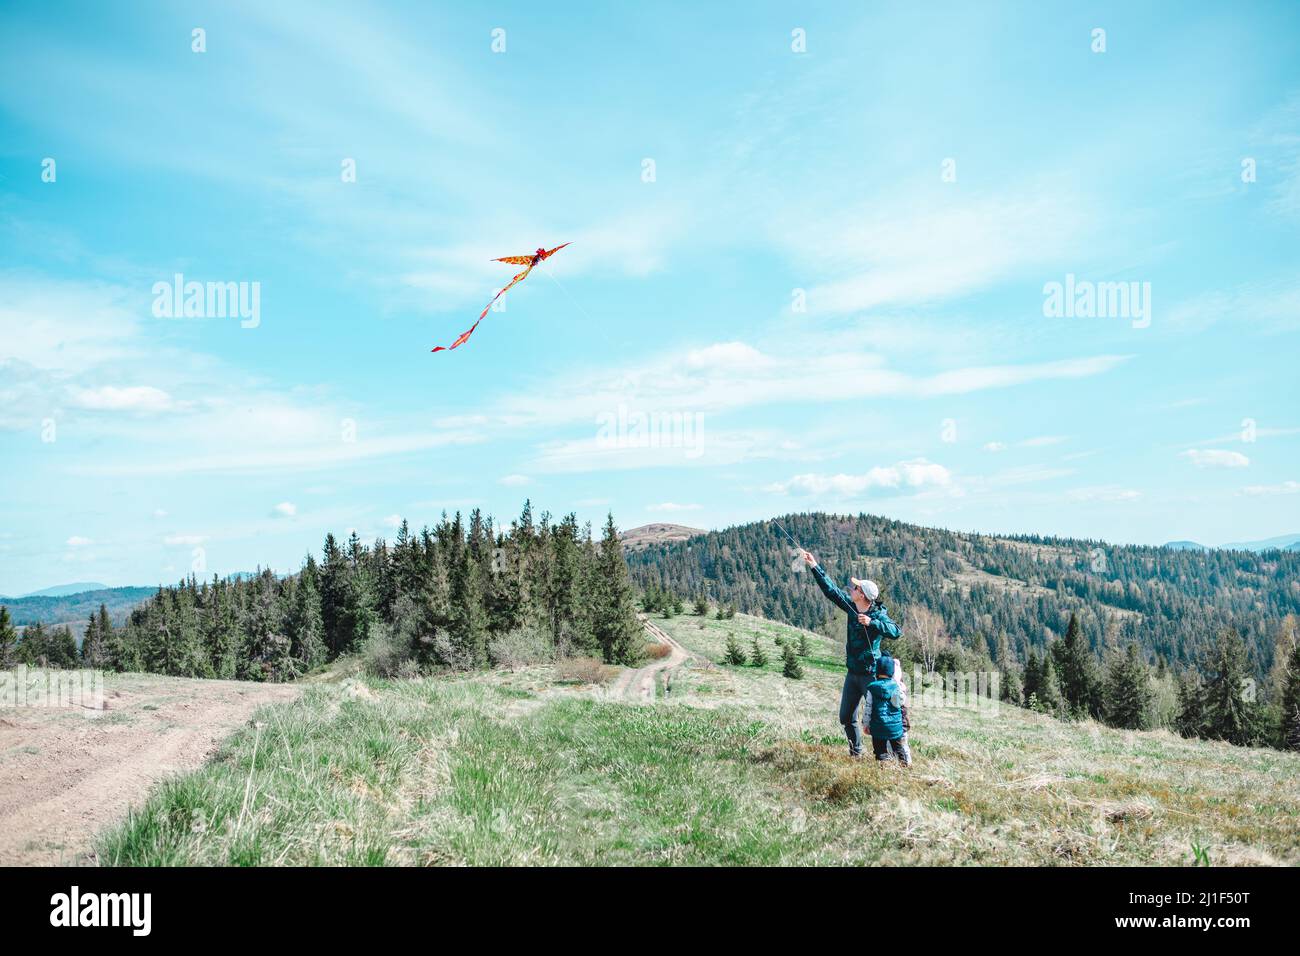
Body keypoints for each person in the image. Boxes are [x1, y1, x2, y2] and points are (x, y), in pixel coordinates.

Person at [800, 549, 902, 757]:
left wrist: (872, 623)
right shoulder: (851, 607)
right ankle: (855, 753)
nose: (851, 588)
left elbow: (896, 632)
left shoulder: (878, 614)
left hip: (870, 674)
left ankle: (886, 756)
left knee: (878, 719)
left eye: (855, 587)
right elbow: (832, 591)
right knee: (846, 717)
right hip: (852, 672)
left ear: (862, 594)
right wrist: (814, 566)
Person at [865, 654, 911, 765]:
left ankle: (883, 766)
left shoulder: (872, 688)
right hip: (895, 728)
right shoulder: (896, 687)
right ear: (892, 672)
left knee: (880, 751)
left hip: (877, 727)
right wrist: (902, 689)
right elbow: (901, 702)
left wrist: (866, 724)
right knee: (899, 750)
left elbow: (868, 708)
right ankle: (904, 766)